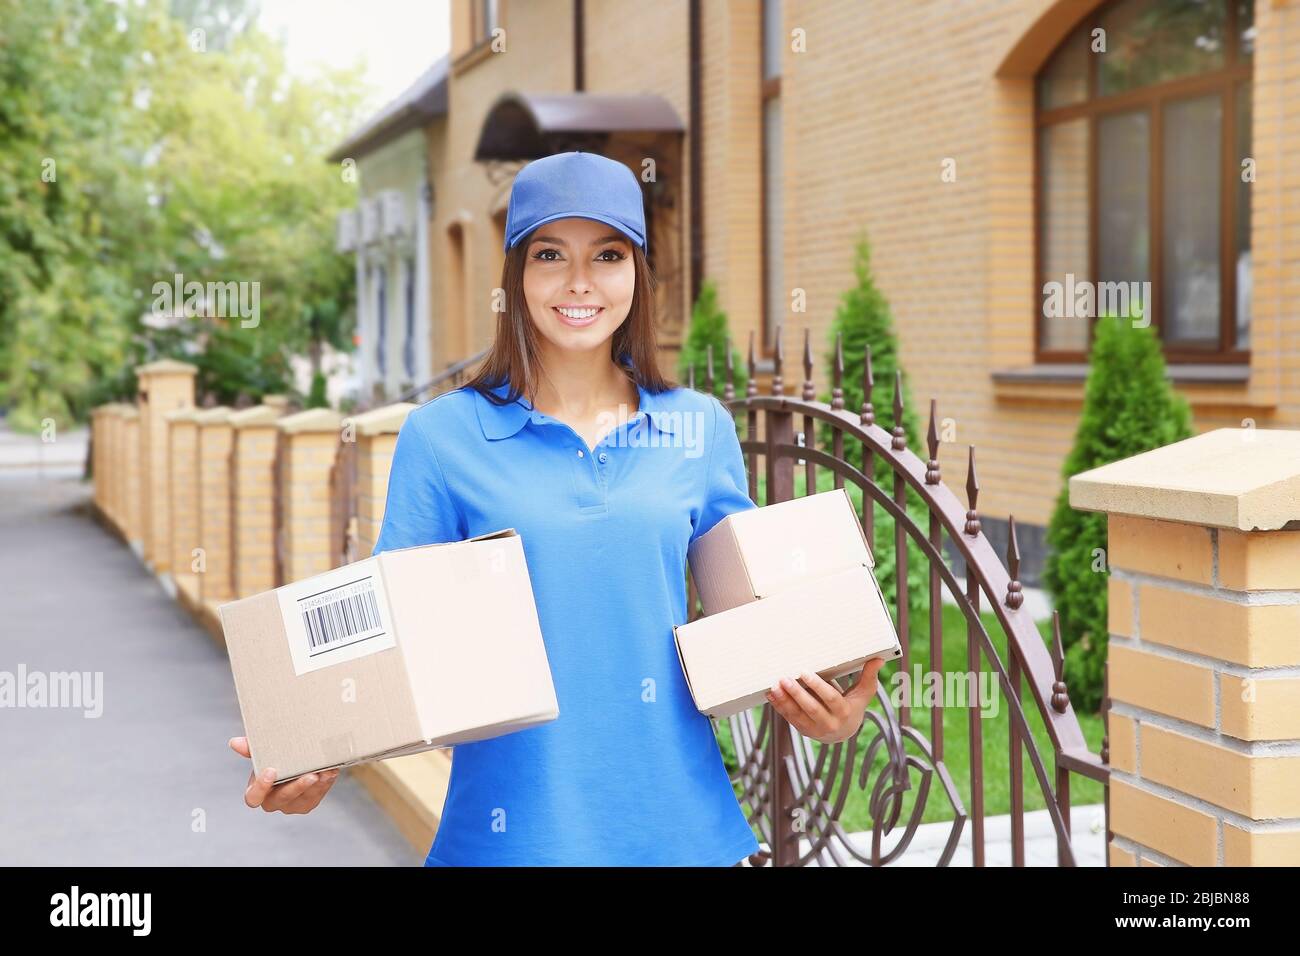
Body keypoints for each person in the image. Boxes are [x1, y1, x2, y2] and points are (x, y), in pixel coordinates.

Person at [230, 150, 882, 865]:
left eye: (606, 254)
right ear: (516, 276)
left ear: (637, 270)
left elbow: (757, 622)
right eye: (550, 254)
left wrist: (836, 708)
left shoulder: (697, 428)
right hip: (509, 840)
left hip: (679, 834)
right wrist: (317, 751)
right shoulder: (443, 437)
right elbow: (392, 647)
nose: (579, 282)